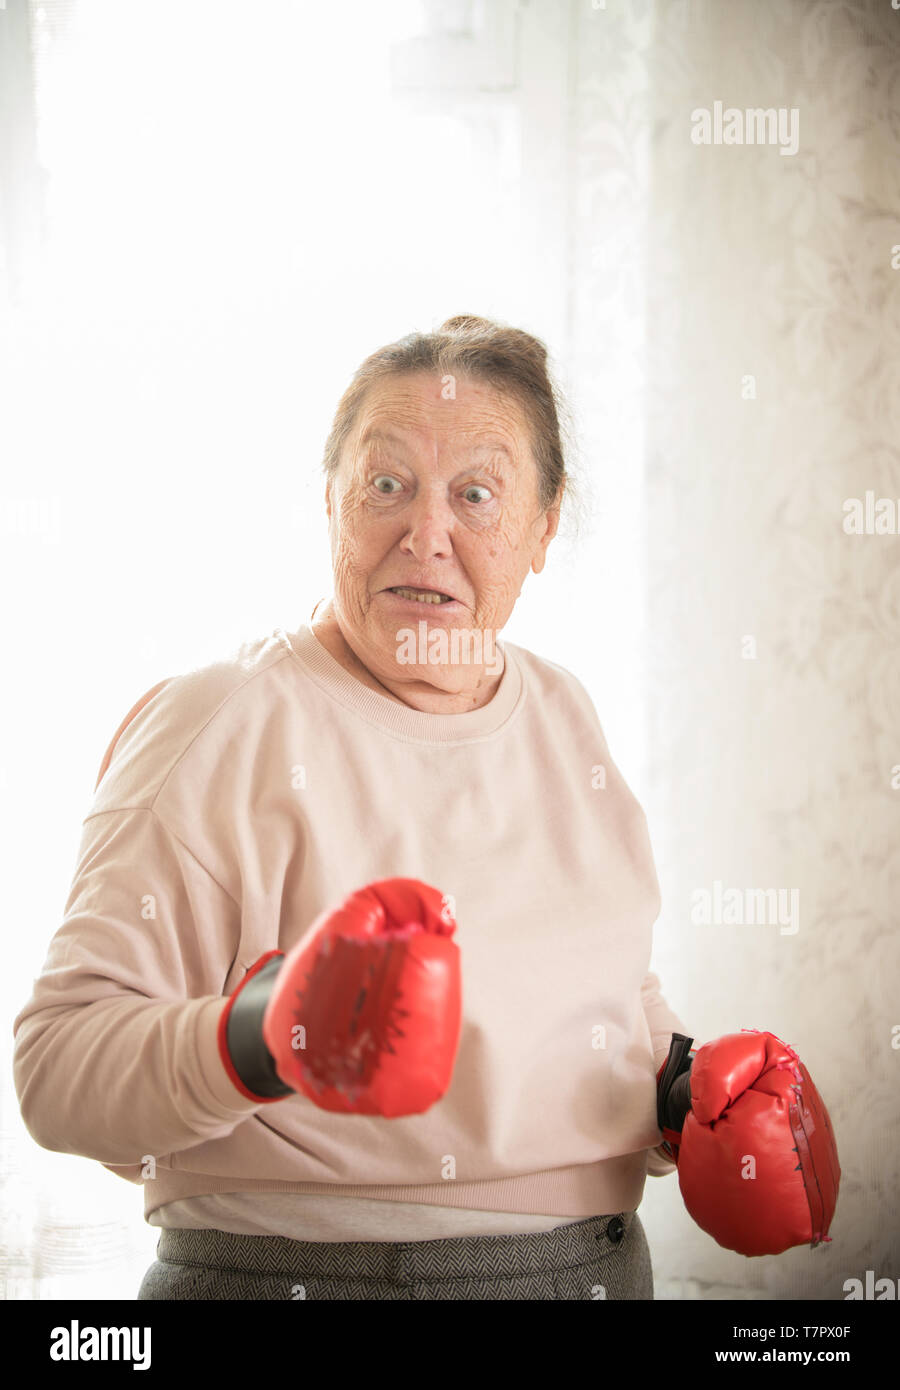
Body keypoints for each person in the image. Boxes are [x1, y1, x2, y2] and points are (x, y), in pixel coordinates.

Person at [12, 314, 692, 1300]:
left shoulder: (563, 712)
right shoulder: (218, 720)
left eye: (476, 494)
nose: (426, 535)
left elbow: (606, 988)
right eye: (385, 485)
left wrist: (686, 1088)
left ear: (544, 528)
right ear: (328, 499)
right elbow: (55, 1069)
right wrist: (255, 1040)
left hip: (596, 1273)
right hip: (301, 1278)